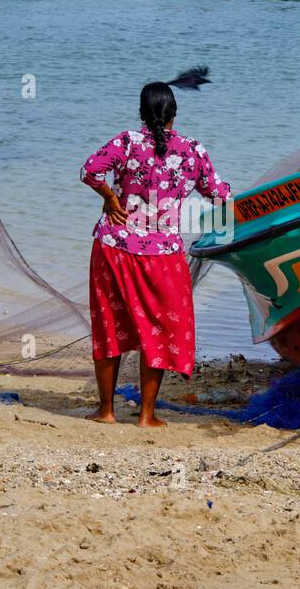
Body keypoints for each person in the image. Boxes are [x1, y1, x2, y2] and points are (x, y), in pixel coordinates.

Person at [80, 76, 230, 427]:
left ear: (141, 114)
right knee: (160, 330)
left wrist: (111, 198)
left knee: (110, 325)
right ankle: (147, 415)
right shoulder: (192, 150)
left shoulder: (127, 141)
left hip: (115, 247)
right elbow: (218, 194)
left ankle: (106, 411)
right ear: (174, 113)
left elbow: (89, 171)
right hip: (163, 256)